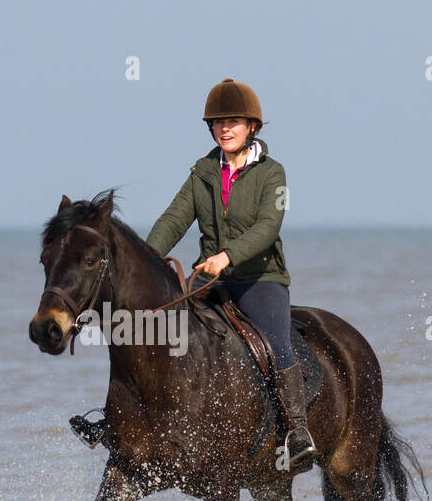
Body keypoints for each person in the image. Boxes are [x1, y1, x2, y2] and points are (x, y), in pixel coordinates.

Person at [70, 77, 317, 472]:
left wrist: (226, 257)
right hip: (209, 281)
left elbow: (268, 227)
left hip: (260, 279)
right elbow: (174, 218)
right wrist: (146, 261)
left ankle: (297, 431)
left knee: (276, 341)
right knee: (145, 328)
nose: (225, 128)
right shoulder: (202, 172)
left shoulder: (272, 173)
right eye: (218, 122)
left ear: (252, 126)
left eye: (233, 121)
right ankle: (119, 419)